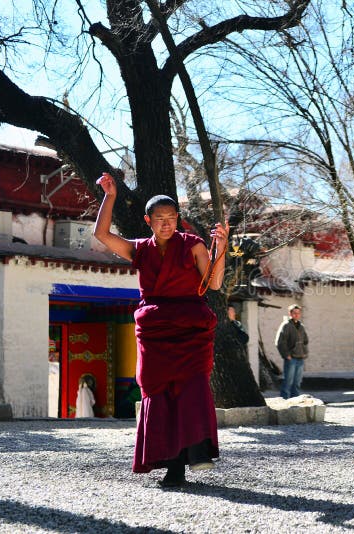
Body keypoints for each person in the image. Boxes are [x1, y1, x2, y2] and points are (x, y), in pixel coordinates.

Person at [94, 172, 227, 487]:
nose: (166, 223)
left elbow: (215, 282)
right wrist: (110, 196)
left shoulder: (193, 244)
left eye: (171, 218)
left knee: (193, 388)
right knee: (160, 395)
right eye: (159, 219)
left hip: (191, 329)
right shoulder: (139, 249)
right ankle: (173, 468)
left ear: (178, 219)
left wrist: (219, 249)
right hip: (155, 332)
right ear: (148, 220)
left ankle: (198, 453)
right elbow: (101, 234)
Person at [275, 304, 309, 399]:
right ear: (290, 313)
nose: (296, 315)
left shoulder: (301, 326)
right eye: (294, 313)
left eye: (298, 313)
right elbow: (279, 342)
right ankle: (284, 401)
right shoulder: (286, 325)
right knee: (288, 382)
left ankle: (295, 401)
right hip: (291, 358)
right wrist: (286, 355)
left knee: (297, 382)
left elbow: (305, 340)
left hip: (300, 358)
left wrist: (305, 352)